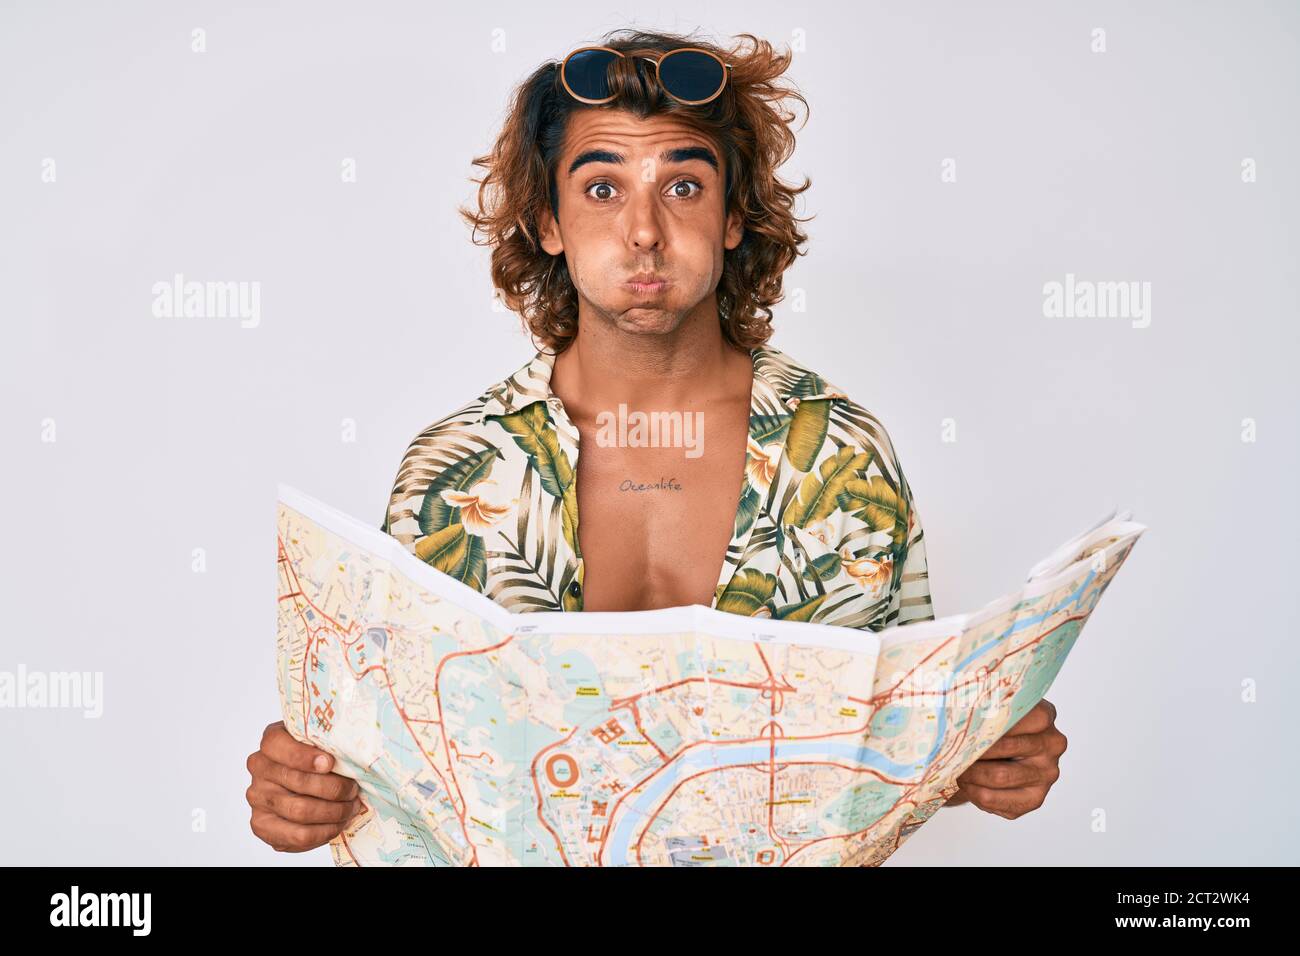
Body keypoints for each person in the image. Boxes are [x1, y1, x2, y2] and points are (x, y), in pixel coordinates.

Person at [247, 29, 1067, 855]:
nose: (643, 230)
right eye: (602, 188)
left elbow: (904, 738)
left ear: (734, 216)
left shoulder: (841, 456)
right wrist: (305, 792)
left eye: (682, 186)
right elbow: (387, 762)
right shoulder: (457, 469)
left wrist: (988, 758)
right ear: (549, 223)